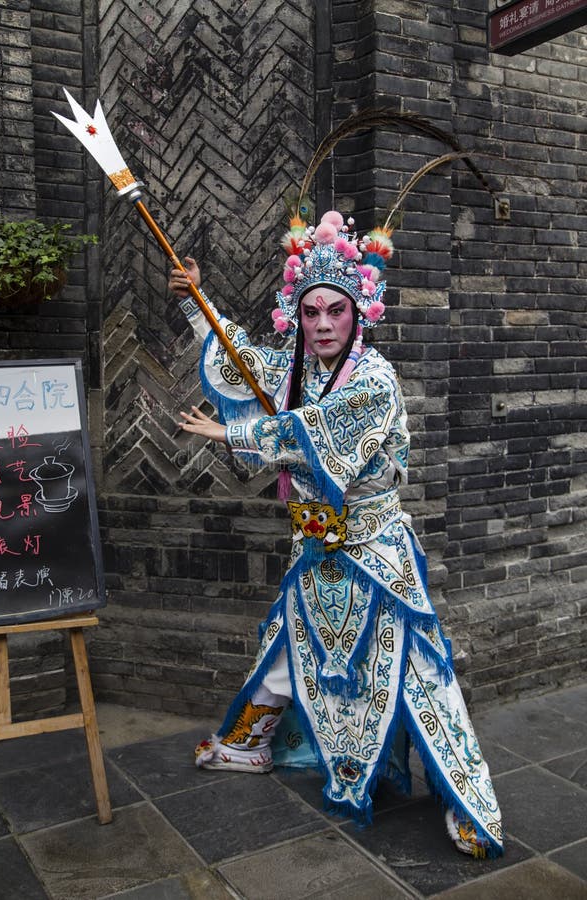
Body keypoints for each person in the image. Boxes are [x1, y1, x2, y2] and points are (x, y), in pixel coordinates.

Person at [169, 209, 503, 858]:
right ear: (299, 314)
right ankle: (249, 745)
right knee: (286, 647)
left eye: (336, 312)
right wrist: (196, 300)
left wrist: (234, 432)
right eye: (312, 311)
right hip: (316, 548)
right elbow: (245, 360)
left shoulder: (374, 382)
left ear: (359, 314)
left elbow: (319, 430)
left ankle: (467, 798)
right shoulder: (299, 368)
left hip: (374, 552)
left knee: (417, 674)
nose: (323, 324)